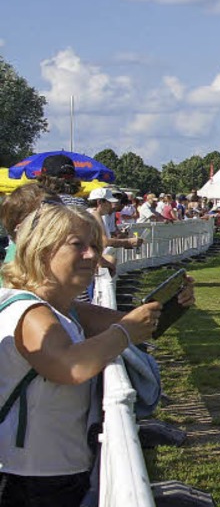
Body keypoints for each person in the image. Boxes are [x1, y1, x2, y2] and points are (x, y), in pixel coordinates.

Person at [0, 204, 161, 505]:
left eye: (95, 246)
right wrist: (124, 333)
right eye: (78, 245)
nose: (92, 256)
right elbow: (69, 365)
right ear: (42, 249)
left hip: (50, 468)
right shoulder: (33, 314)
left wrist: (170, 304)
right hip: (31, 477)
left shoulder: (64, 307)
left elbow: (134, 323)